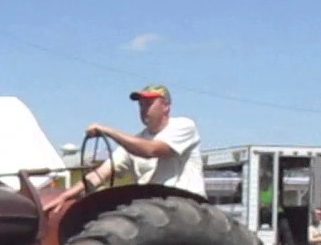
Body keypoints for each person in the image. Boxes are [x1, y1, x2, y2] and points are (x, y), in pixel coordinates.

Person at [43, 83, 206, 213]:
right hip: (156, 209)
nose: (143, 109)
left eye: (149, 104)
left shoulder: (183, 126)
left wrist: (108, 130)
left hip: (187, 208)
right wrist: (65, 196)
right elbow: (101, 174)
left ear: (166, 106)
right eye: (141, 105)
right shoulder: (136, 141)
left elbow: (151, 150)